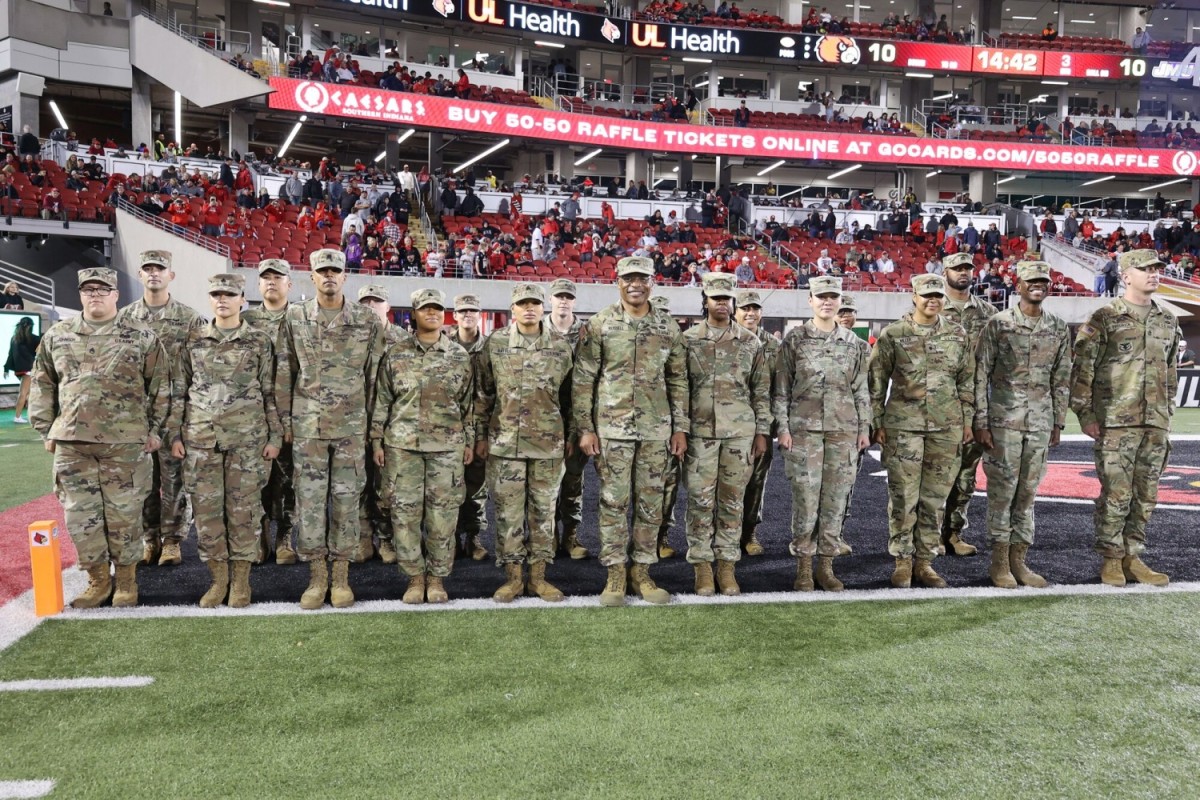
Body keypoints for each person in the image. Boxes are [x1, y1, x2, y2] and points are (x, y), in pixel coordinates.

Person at [29, 268, 169, 608]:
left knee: (124, 515)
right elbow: (43, 383)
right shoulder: (58, 335)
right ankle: (97, 581)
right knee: (81, 517)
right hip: (73, 444)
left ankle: (126, 582)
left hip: (126, 444)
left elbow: (163, 387)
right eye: (88, 289)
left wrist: (155, 431)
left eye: (102, 289)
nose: (95, 294)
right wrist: (46, 429)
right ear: (80, 295)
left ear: (116, 294)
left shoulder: (141, 336)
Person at [573, 256, 689, 606]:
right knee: (613, 502)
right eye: (628, 278)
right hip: (612, 430)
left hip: (656, 431)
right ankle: (615, 574)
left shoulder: (668, 326)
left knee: (651, 504)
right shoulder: (600, 324)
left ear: (652, 282)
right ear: (617, 281)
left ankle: (642, 572)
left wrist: (680, 427)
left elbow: (678, 379)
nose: (634, 284)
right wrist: (585, 428)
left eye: (641, 278)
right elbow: (583, 378)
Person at [278, 249, 386, 609]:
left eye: (334, 271)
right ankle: (316, 578)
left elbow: (374, 378)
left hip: (351, 428)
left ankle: (340, 578)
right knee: (309, 503)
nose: (328, 276)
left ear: (345, 277)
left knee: (345, 502)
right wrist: (284, 422)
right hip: (307, 427)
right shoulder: (294, 318)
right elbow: (285, 372)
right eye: (321, 270)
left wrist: (373, 430)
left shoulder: (365, 320)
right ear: (311, 276)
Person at [1070, 249, 1180, 587]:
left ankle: (1133, 555)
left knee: (1146, 494)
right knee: (1116, 494)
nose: (1153, 273)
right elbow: (1082, 369)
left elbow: (1171, 369)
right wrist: (1086, 414)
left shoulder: (1167, 320)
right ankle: (1111, 559)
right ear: (1126, 274)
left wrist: (1168, 409)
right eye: (1145, 268)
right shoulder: (1105, 317)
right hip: (1116, 421)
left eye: (1157, 268)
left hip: (1155, 421)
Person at [171, 274, 281, 608]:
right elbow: (179, 392)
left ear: (241, 300)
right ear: (210, 300)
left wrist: (275, 435)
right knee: (206, 513)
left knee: (244, 511)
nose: (222, 299)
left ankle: (242, 583)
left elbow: (270, 392)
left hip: (248, 440)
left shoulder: (259, 341)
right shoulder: (193, 341)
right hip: (201, 440)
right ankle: (218, 581)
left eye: (229, 294)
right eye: (216, 294)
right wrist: (175, 433)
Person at [869, 274, 974, 589]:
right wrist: (877, 422)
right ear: (914, 296)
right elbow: (876, 382)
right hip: (904, 429)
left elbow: (967, 382)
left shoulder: (958, 335)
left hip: (947, 429)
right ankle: (902, 560)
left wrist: (967, 421)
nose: (933, 300)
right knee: (904, 497)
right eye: (927, 294)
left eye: (938, 295)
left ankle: (925, 563)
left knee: (933, 500)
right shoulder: (894, 334)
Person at [973, 260, 1071, 589]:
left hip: (1040, 423)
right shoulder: (998, 324)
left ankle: (1020, 561)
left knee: (1028, 493)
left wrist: (1058, 420)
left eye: (1043, 280)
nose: (1038, 285)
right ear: (1019, 286)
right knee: (1002, 493)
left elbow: (1061, 377)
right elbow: (980, 375)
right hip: (1003, 422)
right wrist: (981, 421)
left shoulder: (1058, 326)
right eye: (1032, 281)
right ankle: (999, 563)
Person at [372, 288, 473, 604]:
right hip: (403, 448)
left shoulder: (459, 356)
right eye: (425, 309)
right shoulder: (396, 354)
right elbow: (383, 400)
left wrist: (469, 440)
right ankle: (415, 579)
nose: (432, 313)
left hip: (447, 448)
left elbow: (469, 404)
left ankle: (438, 579)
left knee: (443, 518)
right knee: (405, 515)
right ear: (413, 313)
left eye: (437, 309)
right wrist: (377, 439)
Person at [475, 283, 575, 603]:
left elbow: (573, 396)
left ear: (543, 307)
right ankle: (514, 578)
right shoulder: (497, 342)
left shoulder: (560, 345)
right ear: (513, 309)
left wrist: (572, 433)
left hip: (548, 444)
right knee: (508, 514)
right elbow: (482, 394)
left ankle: (539, 578)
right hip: (505, 445)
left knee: (543, 513)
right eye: (523, 303)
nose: (529, 308)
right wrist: (478, 436)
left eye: (535, 302)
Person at [774, 277, 870, 592]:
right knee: (805, 502)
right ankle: (803, 567)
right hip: (804, 433)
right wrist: (783, 428)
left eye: (832, 297)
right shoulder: (795, 340)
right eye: (821, 297)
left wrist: (864, 428)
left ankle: (826, 566)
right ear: (810, 300)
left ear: (840, 300)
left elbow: (861, 390)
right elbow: (781, 389)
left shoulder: (854, 343)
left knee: (834, 502)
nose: (827, 302)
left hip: (843, 432)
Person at [115, 250, 204, 567]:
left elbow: (199, 370)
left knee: (175, 481)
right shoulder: (124, 318)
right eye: (148, 269)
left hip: (177, 414)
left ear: (171, 275)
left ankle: (172, 541)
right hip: (138, 415)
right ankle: (148, 538)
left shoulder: (190, 318)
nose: (154, 273)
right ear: (140, 275)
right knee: (141, 481)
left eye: (160, 268)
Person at [682, 274, 769, 596]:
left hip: (739, 434)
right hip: (699, 432)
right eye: (715, 297)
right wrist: (680, 428)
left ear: (733, 302)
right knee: (700, 501)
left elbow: (761, 391)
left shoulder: (750, 342)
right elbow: (679, 389)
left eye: (726, 298)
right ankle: (702, 567)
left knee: (732, 501)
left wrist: (762, 432)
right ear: (705, 300)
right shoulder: (689, 340)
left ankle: (727, 566)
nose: (721, 302)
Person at [938, 251, 997, 557]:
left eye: (967, 268)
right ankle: (931, 535)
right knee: (936, 474)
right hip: (941, 405)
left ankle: (954, 533)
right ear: (944, 271)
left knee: (965, 475)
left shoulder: (987, 313)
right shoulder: (932, 307)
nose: (963, 273)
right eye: (957, 268)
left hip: (976, 404)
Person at [242, 260, 298, 565]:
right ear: (258, 285)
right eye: (266, 278)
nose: (271, 282)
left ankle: (285, 537)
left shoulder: (301, 319)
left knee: (290, 478)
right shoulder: (246, 320)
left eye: (278, 277)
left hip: (294, 411)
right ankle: (261, 535)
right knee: (257, 478)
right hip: (254, 413)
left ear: (290, 283)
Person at [356, 284, 409, 565]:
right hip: (354, 421)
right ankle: (364, 537)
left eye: (377, 301)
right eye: (365, 302)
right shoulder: (351, 336)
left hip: (391, 424)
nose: (371, 306)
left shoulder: (402, 340)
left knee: (387, 485)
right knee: (356, 483)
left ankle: (386, 537)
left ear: (388, 306)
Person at [545, 278, 590, 560]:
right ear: (551, 299)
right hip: (544, 416)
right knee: (543, 483)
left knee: (573, 479)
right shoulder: (538, 330)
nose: (563, 301)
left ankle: (571, 536)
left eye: (568, 297)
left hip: (577, 412)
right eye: (559, 296)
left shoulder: (586, 332)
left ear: (574, 301)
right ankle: (545, 536)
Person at [734, 290, 780, 556]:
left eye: (755, 308)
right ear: (735, 311)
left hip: (760, 426)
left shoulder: (772, 346)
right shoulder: (727, 339)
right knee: (724, 484)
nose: (750, 313)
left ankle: (749, 532)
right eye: (744, 308)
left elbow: (779, 387)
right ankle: (724, 534)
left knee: (756, 482)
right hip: (728, 425)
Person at [448, 293, 489, 560]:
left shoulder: (490, 347)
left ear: (479, 314)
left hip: (482, 425)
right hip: (450, 427)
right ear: (454, 315)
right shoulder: (444, 346)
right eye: (463, 311)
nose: (467, 315)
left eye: (472, 311)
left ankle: (473, 536)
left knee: (476, 484)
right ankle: (450, 537)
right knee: (449, 484)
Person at [4, 316, 39, 423]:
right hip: (28, 369)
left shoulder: (14, 338)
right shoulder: (34, 338)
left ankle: (28, 415)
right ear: (30, 326)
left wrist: (6, 368)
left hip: (19, 370)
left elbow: (10, 355)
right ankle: (17, 417)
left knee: (28, 393)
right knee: (24, 393)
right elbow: (40, 353)